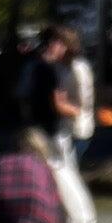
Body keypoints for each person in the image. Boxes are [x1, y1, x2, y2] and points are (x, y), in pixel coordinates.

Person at [23, 27, 78, 159]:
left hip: (39, 121)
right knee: (59, 163)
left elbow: (24, 95)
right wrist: (77, 111)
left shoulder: (35, 66)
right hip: (54, 126)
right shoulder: (51, 69)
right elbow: (58, 102)